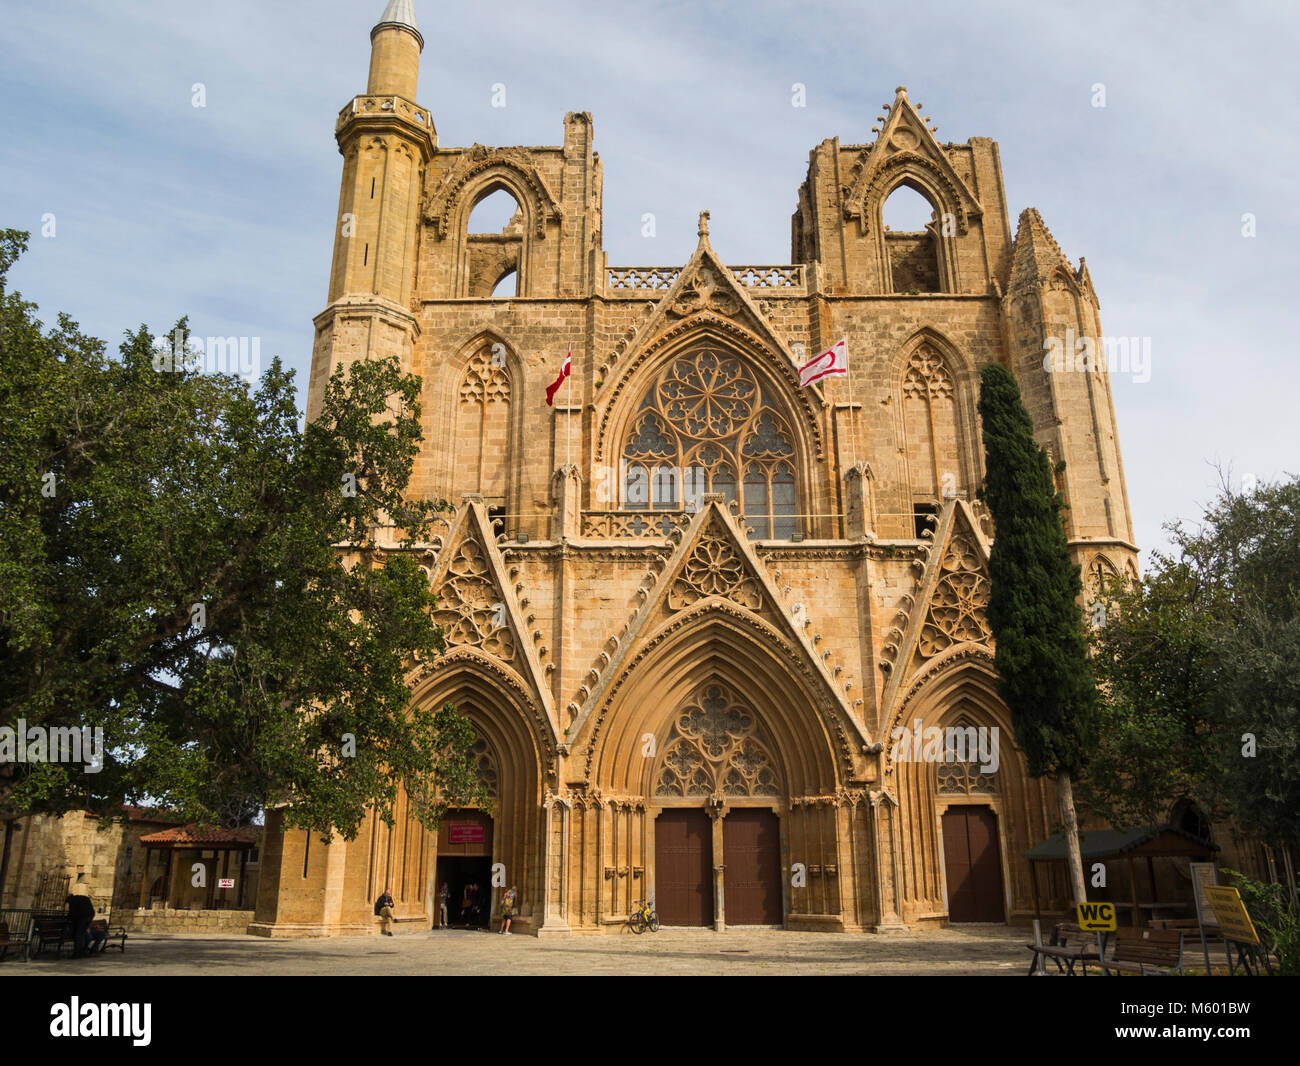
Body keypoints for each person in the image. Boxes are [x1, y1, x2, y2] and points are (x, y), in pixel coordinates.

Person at [65, 889, 95, 959]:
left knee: (78, 936)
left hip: (83, 919)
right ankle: (82, 951)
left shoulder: (73, 901)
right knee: (82, 934)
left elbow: (72, 913)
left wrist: (69, 919)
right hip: (89, 916)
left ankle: (77, 953)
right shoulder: (82, 898)